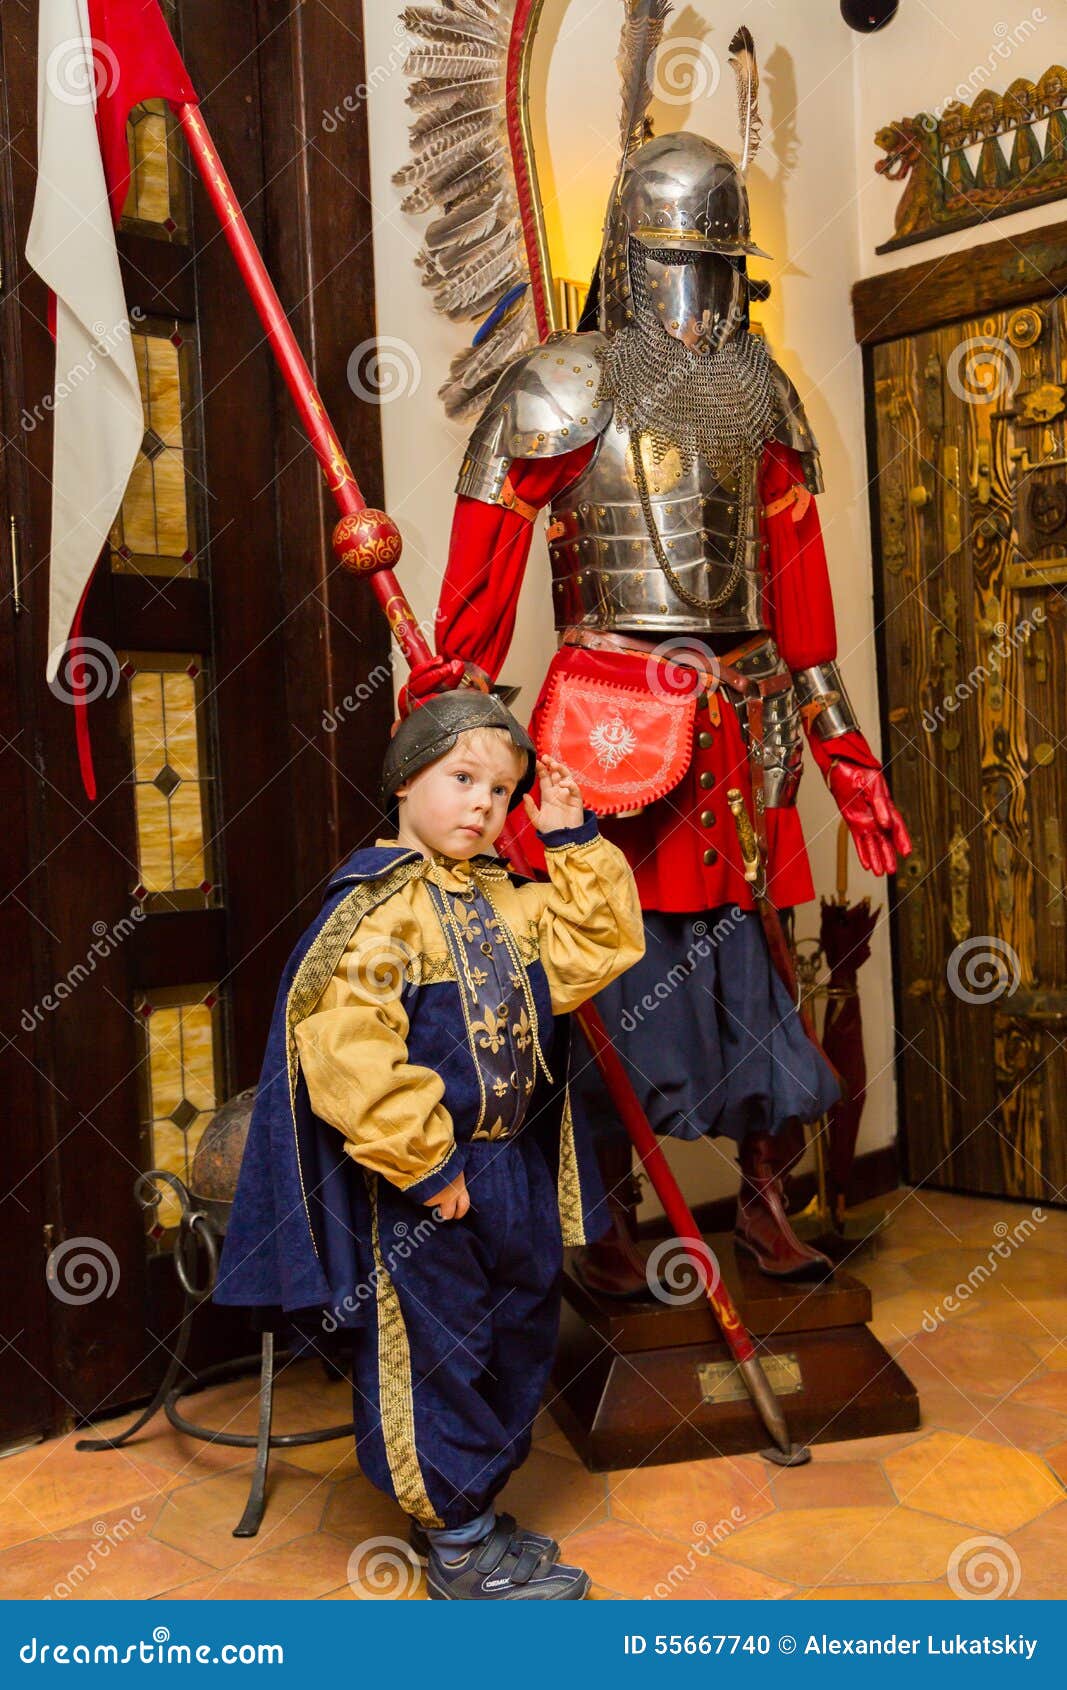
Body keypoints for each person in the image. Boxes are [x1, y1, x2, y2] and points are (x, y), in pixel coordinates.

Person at [401, 126, 912, 1285]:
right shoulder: (557, 385)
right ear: (627, 258)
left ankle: (763, 1196)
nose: (695, 297)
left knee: (757, 963)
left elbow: (802, 613)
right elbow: (477, 589)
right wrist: (454, 739)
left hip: (742, 719)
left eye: (713, 265)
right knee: (603, 964)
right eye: (673, 261)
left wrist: (850, 763)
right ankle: (606, 1215)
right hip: (607, 729)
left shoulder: (763, 397)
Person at [214, 691, 644, 1600]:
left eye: (502, 788)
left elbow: (595, 950)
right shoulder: (378, 913)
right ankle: (455, 1544)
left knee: (520, 1330)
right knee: (441, 1348)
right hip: (430, 1184)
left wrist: (568, 841)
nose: (484, 803)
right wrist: (429, 1167)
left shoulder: (509, 900)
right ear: (404, 783)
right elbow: (349, 1053)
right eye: (462, 779)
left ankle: (476, 1507)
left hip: (513, 1165)